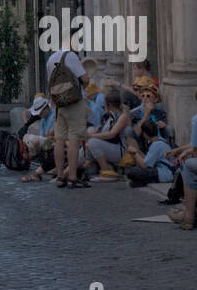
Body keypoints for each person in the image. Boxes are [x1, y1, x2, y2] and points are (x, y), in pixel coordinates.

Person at [46, 42, 90, 187]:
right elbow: (85, 79)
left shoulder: (51, 58)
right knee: (74, 138)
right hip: (74, 102)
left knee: (59, 139)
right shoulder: (71, 56)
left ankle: (60, 177)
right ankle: (72, 177)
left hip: (59, 103)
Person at [84, 90, 131, 178]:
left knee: (93, 142)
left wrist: (91, 136)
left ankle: (106, 173)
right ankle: (80, 168)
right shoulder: (110, 114)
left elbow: (112, 134)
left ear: (108, 104)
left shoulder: (123, 116)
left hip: (121, 150)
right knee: (90, 135)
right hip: (113, 146)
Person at [125, 117, 177, 186]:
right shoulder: (160, 141)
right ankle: (142, 182)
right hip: (166, 172)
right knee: (136, 172)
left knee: (132, 172)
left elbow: (144, 165)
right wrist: (138, 151)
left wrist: (134, 152)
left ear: (144, 134)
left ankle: (144, 181)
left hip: (165, 174)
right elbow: (148, 160)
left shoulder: (156, 145)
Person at [20, 95, 56, 179]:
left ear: (46, 108)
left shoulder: (54, 115)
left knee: (33, 140)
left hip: (54, 141)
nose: (39, 115)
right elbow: (42, 135)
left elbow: (52, 135)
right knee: (26, 137)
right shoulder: (43, 119)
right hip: (47, 140)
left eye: (40, 112)